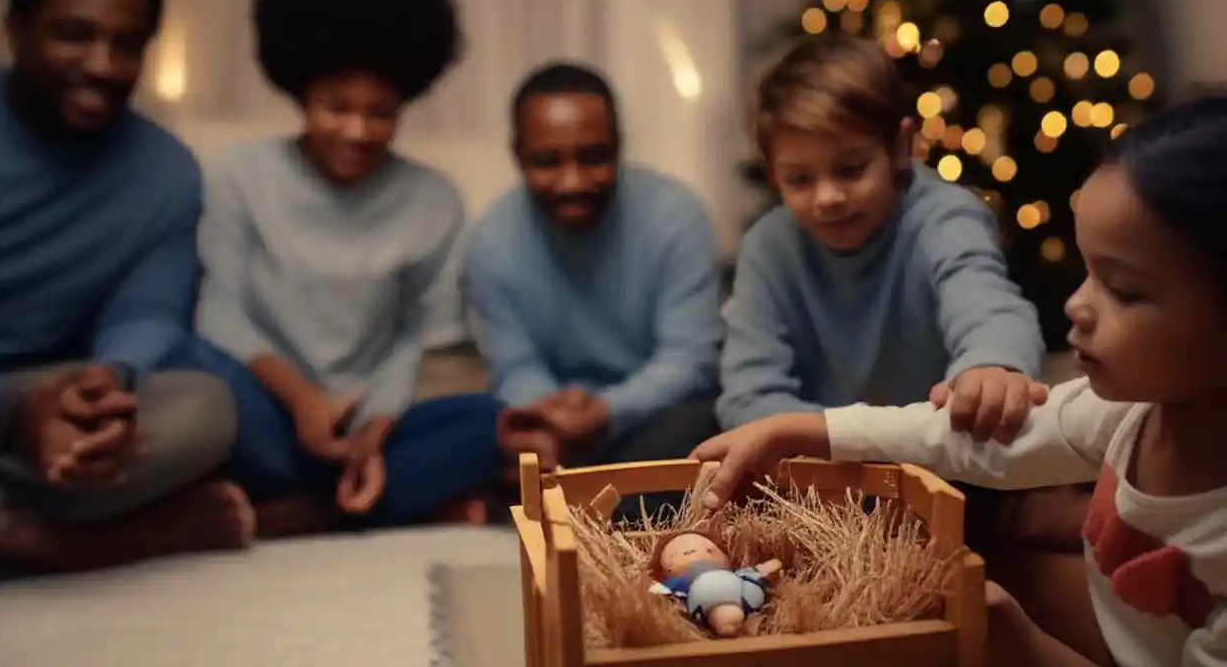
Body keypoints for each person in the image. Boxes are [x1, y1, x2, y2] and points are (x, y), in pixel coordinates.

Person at [692, 97, 1227, 665]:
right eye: (1087, 272)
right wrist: (800, 429)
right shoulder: (1125, 414)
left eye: (1124, 290)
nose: (1075, 305)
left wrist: (1029, 648)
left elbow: (983, 302)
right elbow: (977, 443)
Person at [183, 0, 519, 534]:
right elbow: (219, 314)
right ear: (300, 95)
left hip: (375, 420)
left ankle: (302, 511)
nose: (358, 131)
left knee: (493, 425)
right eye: (337, 108)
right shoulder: (239, 176)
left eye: (381, 113)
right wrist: (303, 401)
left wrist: (375, 427)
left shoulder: (433, 198)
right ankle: (376, 501)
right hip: (269, 408)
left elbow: (422, 336)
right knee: (197, 388)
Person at [0, 0, 246, 572]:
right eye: (74, 35)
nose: (103, 66)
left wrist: (108, 384)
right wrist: (2, 417)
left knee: (209, 407)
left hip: (40, 397)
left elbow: (148, 310)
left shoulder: (165, 171)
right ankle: (54, 545)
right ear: (16, 30)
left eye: (127, 45)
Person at [718, 34, 1047, 438]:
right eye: (799, 179)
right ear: (773, 176)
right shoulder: (768, 247)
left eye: (852, 169)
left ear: (900, 146)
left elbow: (988, 306)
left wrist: (992, 365)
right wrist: (845, 440)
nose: (828, 198)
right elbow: (747, 393)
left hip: (938, 452)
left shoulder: (943, 217)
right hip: (819, 463)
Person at [464, 63, 723, 476]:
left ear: (619, 146)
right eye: (547, 162)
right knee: (467, 434)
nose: (572, 182)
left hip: (656, 417)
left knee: (703, 430)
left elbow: (689, 360)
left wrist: (605, 411)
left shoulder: (677, 217)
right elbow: (514, 367)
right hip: (551, 427)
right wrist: (548, 423)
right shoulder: (490, 240)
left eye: (593, 157)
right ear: (517, 155)